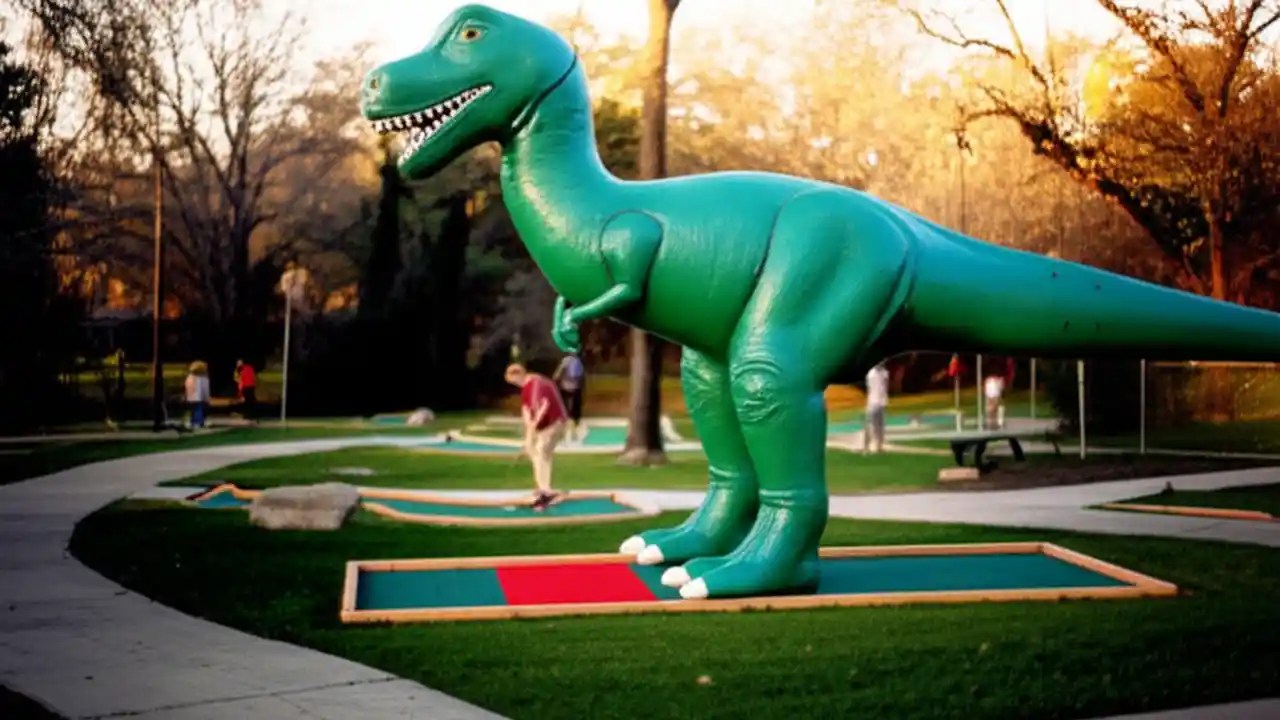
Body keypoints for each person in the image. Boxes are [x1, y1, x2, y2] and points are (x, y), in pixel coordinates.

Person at [505, 363, 568, 510]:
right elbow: (526, 409)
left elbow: (544, 405)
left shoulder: (536, 383)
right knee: (537, 452)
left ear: (518, 375)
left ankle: (545, 490)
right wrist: (529, 433)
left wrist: (534, 425)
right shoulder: (526, 388)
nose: (516, 385)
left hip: (555, 422)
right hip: (546, 425)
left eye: (515, 381)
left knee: (541, 450)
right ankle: (543, 488)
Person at [552, 352, 586, 444]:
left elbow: (556, 376)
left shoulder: (565, 361)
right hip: (576, 388)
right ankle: (575, 431)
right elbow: (582, 377)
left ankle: (564, 433)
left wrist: (556, 383)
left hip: (565, 388)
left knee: (564, 410)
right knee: (575, 411)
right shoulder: (578, 361)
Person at [863, 362, 890, 454]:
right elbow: (873, 387)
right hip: (873, 402)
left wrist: (884, 399)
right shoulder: (871, 373)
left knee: (880, 425)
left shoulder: (884, 373)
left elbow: (884, 388)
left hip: (880, 402)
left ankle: (879, 445)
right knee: (871, 424)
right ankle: (867, 445)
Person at [184, 361, 212, 429]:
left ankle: (195, 422)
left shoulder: (190, 377)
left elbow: (187, 387)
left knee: (194, 410)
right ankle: (198, 422)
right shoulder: (202, 378)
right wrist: (206, 398)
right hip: (198, 397)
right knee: (198, 410)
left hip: (192, 397)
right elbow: (204, 389)